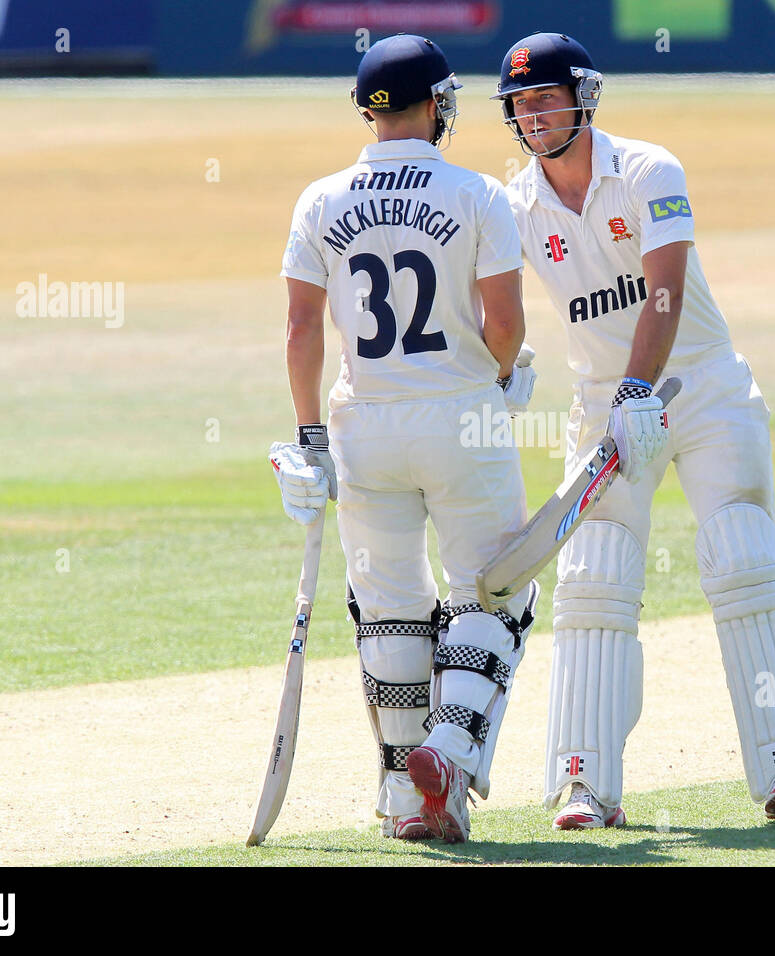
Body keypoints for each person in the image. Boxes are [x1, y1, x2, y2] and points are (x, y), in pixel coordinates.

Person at [493, 32, 775, 830]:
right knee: (594, 579)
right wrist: (504, 367)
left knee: (744, 555)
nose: (534, 116)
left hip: (703, 384)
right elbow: (487, 309)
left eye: (546, 98)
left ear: (584, 96)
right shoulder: (512, 206)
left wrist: (641, 389)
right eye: (519, 105)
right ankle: (584, 781)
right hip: (604, 402)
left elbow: (666, 293)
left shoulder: (648, 169)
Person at [269, 33, 539, 844]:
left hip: (364, 425)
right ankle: (450, 753)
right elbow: (504, 325)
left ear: (366, 111)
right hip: (460, 415)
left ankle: (405, 799)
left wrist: (311, 435)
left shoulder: (319, 200)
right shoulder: (480, 195)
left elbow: (300, 329)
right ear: (435, 105)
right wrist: (504, 374)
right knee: (497, 591)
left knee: (388, 610)